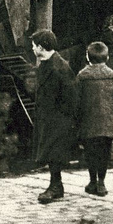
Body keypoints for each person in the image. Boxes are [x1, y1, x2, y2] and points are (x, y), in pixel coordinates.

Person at [31, 29, 77, 204]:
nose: (33, 49)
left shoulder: (60, 67)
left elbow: (71, 96)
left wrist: (61, 116)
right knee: (50, 153)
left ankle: (55, 187)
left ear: (41, 47)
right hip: (49, 117)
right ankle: (56, 185)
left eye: (34, 46)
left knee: (54, 153)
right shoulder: (46, 64)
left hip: (58, 119)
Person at [75, 41, 113, 197]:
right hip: (107, 123)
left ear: (87, 57)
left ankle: (92, 181)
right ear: (107, 57)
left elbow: (76, 100)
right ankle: (101, 182)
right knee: (104, 153)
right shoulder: (112, 75)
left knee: (90, 152)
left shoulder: (82, 76)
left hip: (88, 123)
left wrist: (77, 120)